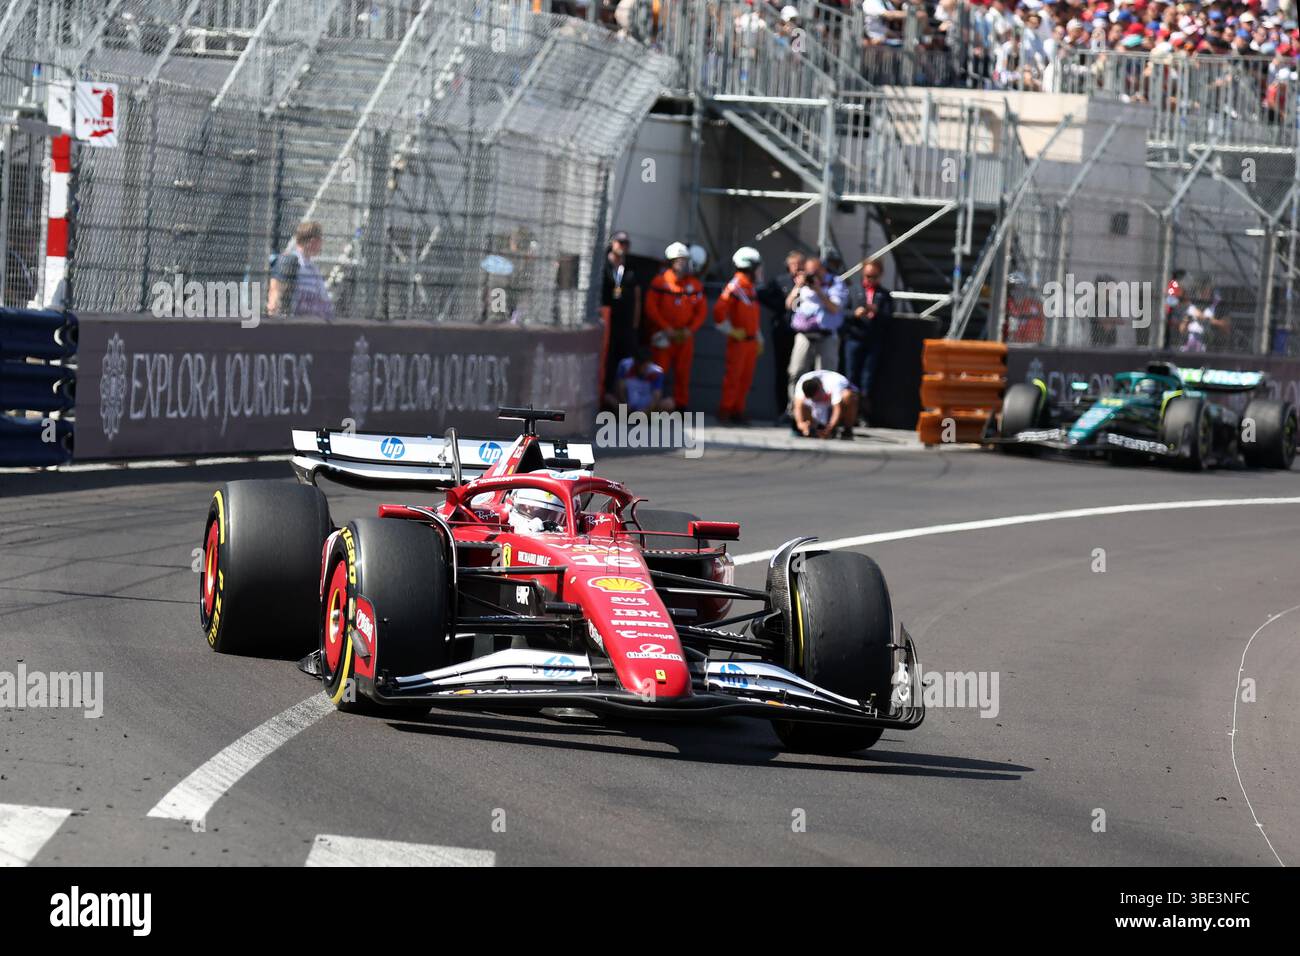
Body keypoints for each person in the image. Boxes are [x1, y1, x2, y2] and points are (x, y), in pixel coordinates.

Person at [644, 241, 707, 410]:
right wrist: (666, 328)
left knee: (683, 373)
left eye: (685, 260)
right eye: (678, 260)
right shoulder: (660, 282)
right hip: (664, 335)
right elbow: (651, 308)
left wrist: (689, 330)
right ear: (670, 262)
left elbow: (701, 312)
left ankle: (680, 406)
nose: (682, 264)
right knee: (658, 371)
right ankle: (654, 406)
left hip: (684, 336)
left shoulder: (694, 285)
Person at [785, 255, 845, 409]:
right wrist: (798, 286)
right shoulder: (802, 284)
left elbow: (834, 308)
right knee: (796, 371)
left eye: (815, 273)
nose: (812, 277)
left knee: (825, 375)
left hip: (826, 335)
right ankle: (794, 409)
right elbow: (788, 305)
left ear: (822, 269)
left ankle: (823, 412)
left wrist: (818, 290)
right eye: (809, 273)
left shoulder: (835, 283)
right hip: (804, 334)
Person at [714, 246, 764, 425]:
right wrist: (730, 330)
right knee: (733, 378)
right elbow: (719, 312)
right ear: (748, 266)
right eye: (757, 266)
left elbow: (753, 317)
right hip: (738, 340)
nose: (760, 270)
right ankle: (726, 410)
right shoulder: (735, 287)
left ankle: (738, 409)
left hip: (750, 341)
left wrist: (758, 337)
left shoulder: (750, 288)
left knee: (745, 379)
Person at [843, 257, 892, 424]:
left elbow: (889, 319)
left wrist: (877, 312)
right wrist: (854, 314)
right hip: (854, 338)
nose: (869, 280)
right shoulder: (853, 290)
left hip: (873, 340)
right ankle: (850, 413)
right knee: (851, 376)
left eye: (873, 276)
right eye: (866, 276)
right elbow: (842, 313)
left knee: (867, 378)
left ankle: (864, 413)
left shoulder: (883, 295)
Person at [758, 249, 803, 423]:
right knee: (782, 370)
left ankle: (798, 408)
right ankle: (782, 408)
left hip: (802, 332)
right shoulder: (780, 281)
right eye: (794, 265)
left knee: (798, 371)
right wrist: (778, 308)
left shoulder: (808, 282)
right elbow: (763, 295)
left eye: (800, 265)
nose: (797, 268)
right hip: (783, 330)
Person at [599, 230, 642, 402]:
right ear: (612, 243)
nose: (623, 246)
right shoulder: (604, 266)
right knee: (607, 358)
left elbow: (638, 297)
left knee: (625, 360)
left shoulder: (630, 268)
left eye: (626, 244)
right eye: (620, 242)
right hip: (608, 321)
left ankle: (623, 397)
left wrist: (635, 324)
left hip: (626, 323)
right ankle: (604, 395)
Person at [267, 221, 334, 320]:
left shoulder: (314, 270)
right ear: (313, 241)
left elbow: (326, 303)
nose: (321, 244)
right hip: (291, 325)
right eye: (320, 240)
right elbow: (275, 296)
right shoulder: (288, 262)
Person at [793, 369, 859, 440]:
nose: (815, 400)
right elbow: (798, 407)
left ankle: (847, 429)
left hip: (838, 408)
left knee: (848, 396)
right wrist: (802, 425)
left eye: (816, 397)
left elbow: (837, 409)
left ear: (821, 386)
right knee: (801, 403)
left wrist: (830, 427)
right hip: (820, 410)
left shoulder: (834, 382)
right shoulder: (802, 383)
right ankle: (815, 429)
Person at [606, 346, 674, 413]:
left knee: (669, 403)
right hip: (628, 404)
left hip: (647, 407)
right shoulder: (625, 366)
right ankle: (626, 414)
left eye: (646, 366)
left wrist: (647, 410)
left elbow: (656, 395)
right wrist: (625, 403)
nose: (644, 369)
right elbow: (620, 387)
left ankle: (647, 417)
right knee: (608, 398)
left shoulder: (656, 372)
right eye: (642, 366)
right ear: (636, 362)